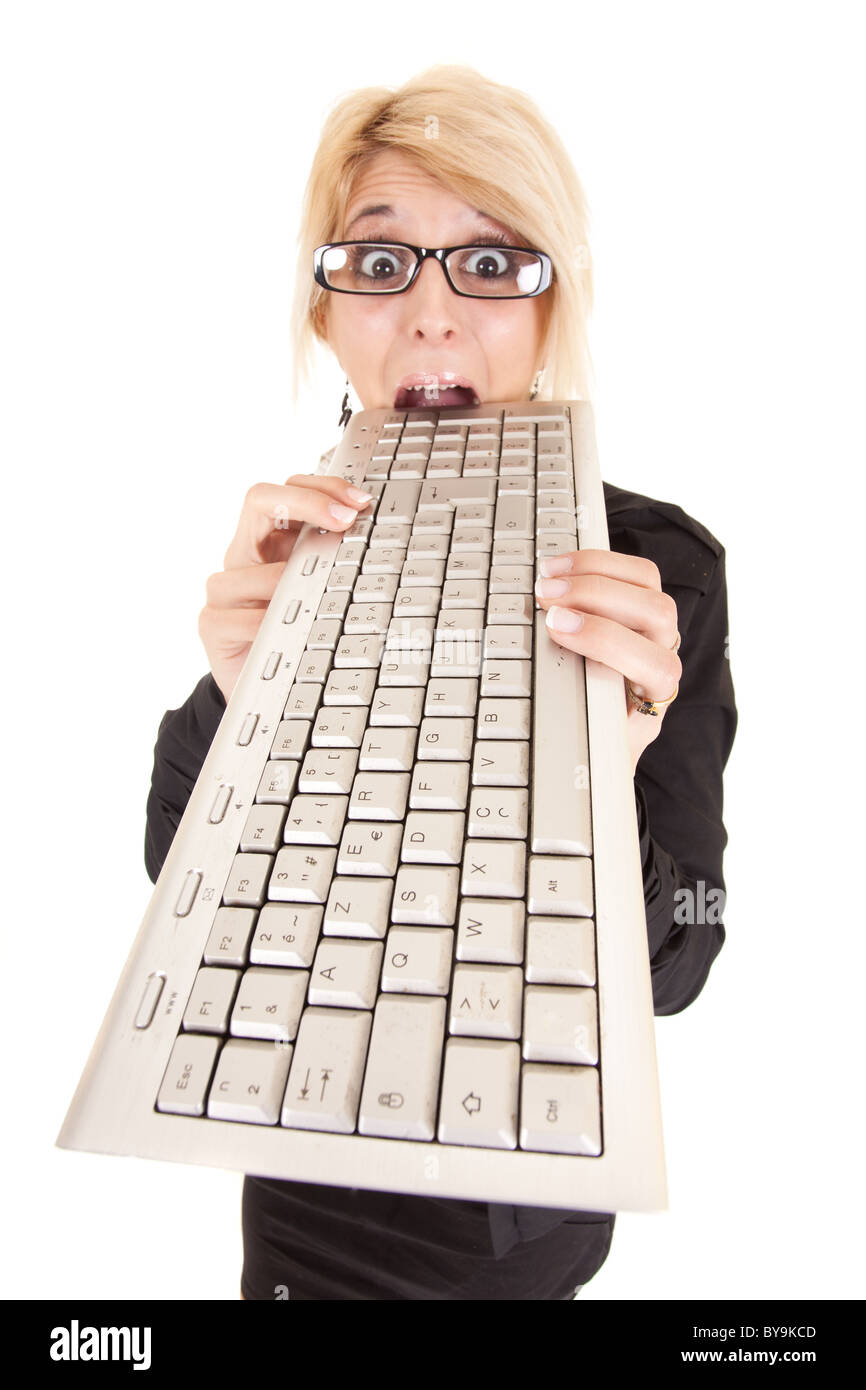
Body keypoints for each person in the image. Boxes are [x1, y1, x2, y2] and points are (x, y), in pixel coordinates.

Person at [144, 64, 737, 1300]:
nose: (429, 315)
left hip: (512, 1227)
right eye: (375, 264)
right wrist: (240, 696)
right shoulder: (297, 539)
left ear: (547, 302)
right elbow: (171, 871)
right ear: (326, 316)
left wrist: (607, 767)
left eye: (488, 261)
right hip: (296, 1181)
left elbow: (684, 955)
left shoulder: (653, 564)